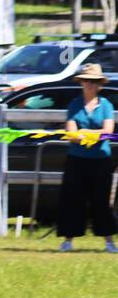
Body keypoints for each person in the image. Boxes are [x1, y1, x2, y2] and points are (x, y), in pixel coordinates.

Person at [58, 63, 118, 252]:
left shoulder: (106, 105)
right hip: (77, 160)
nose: (90, 85)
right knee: (73, 199)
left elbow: (109, 131)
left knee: (101, 201)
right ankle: (68, 241)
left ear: (99, 84)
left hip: (100, 160)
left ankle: (109, 242)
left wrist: (86, 133)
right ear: (81, 83)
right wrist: (83, 135)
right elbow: (71, 133)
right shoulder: (74, 105)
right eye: (86, 81)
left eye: (94, 82)